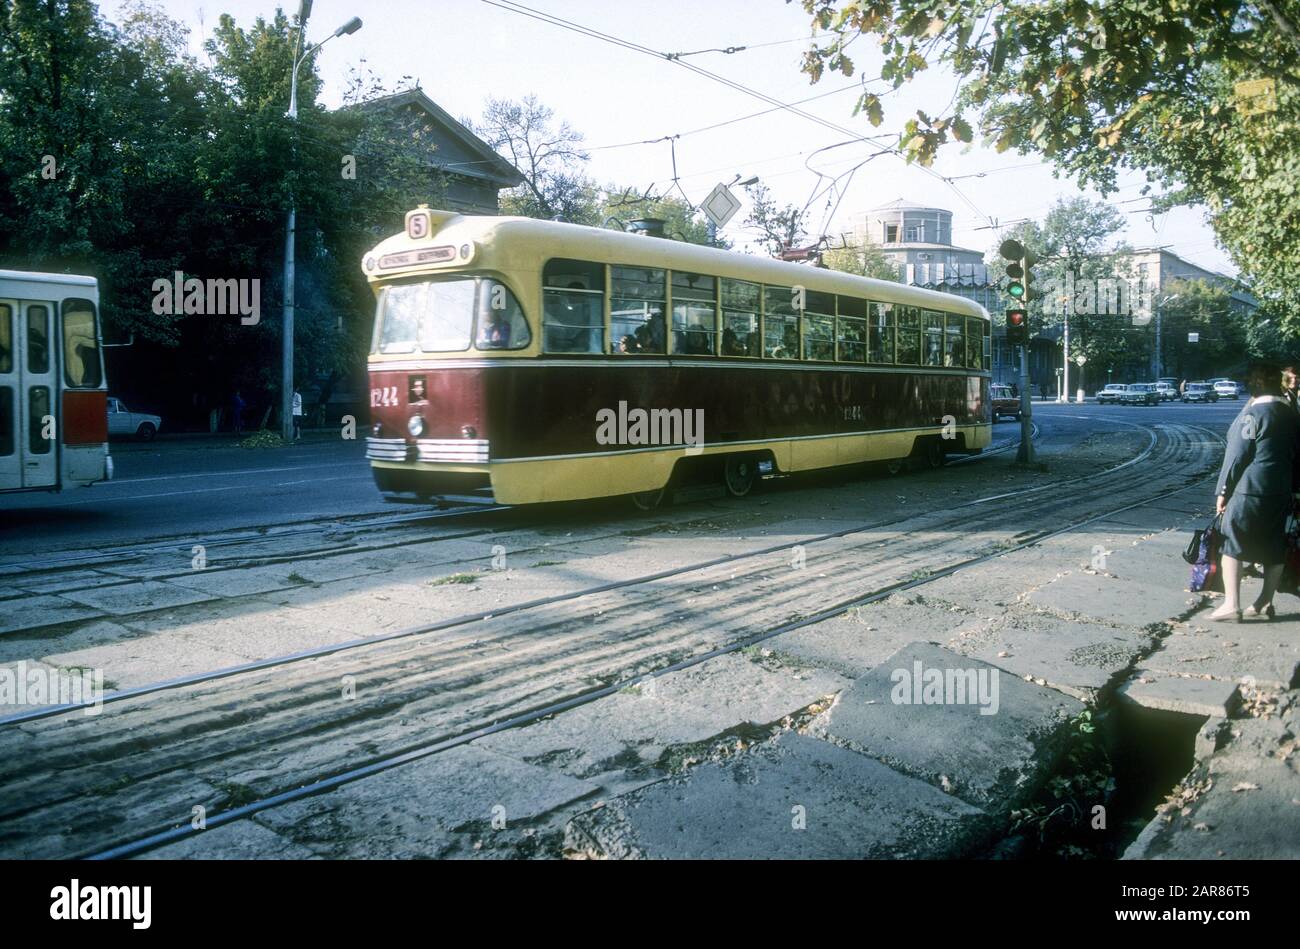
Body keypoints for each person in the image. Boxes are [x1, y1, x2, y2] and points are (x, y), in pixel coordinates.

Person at [1209, 364, 1300, 621]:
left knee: (1231, 542)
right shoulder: (1292, 414)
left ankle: (1231, 604)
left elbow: (1238, 456)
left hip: (1249, 489)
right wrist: (1295, 490)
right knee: (1274, 545)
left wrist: (1223, 492)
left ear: (1254, 385)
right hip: (1280, 489)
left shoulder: (1254, 413)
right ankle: (1263, 602)